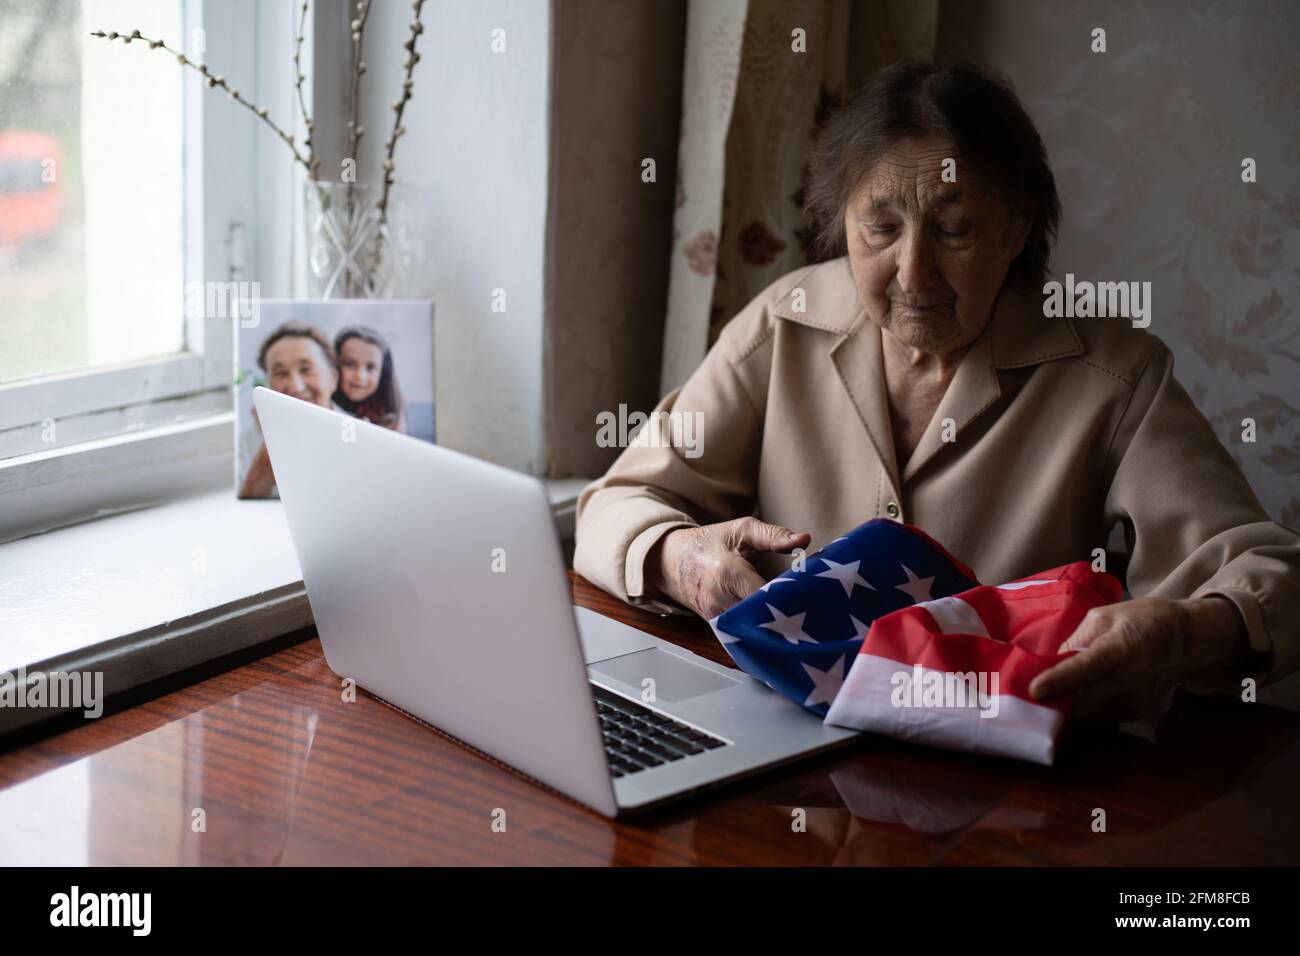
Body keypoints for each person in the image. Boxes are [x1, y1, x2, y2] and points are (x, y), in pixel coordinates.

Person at [573, 61, 1300, 722]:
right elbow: (614, 504)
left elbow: (1271, 573)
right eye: (881, 227)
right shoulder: (784, 323)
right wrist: (683, 560)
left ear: (1016, 229)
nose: (913, 273)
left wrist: (1188, 633)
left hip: (994, 781)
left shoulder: (1112, 373)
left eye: (955, 229)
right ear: (841, 223)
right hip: (786, 747)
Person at [238, 322, 339, 499]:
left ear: (333, 378)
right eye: (281, 374)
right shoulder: (246, 446)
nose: (295, 387)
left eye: (306, 369)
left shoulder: (363, 434)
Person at [332, 326, 407, 432]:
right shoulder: (325, 404)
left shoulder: (391, 416)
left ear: (383, 373)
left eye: (370, 367)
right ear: (334, 366)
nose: (360, 376)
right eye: (350, 364)